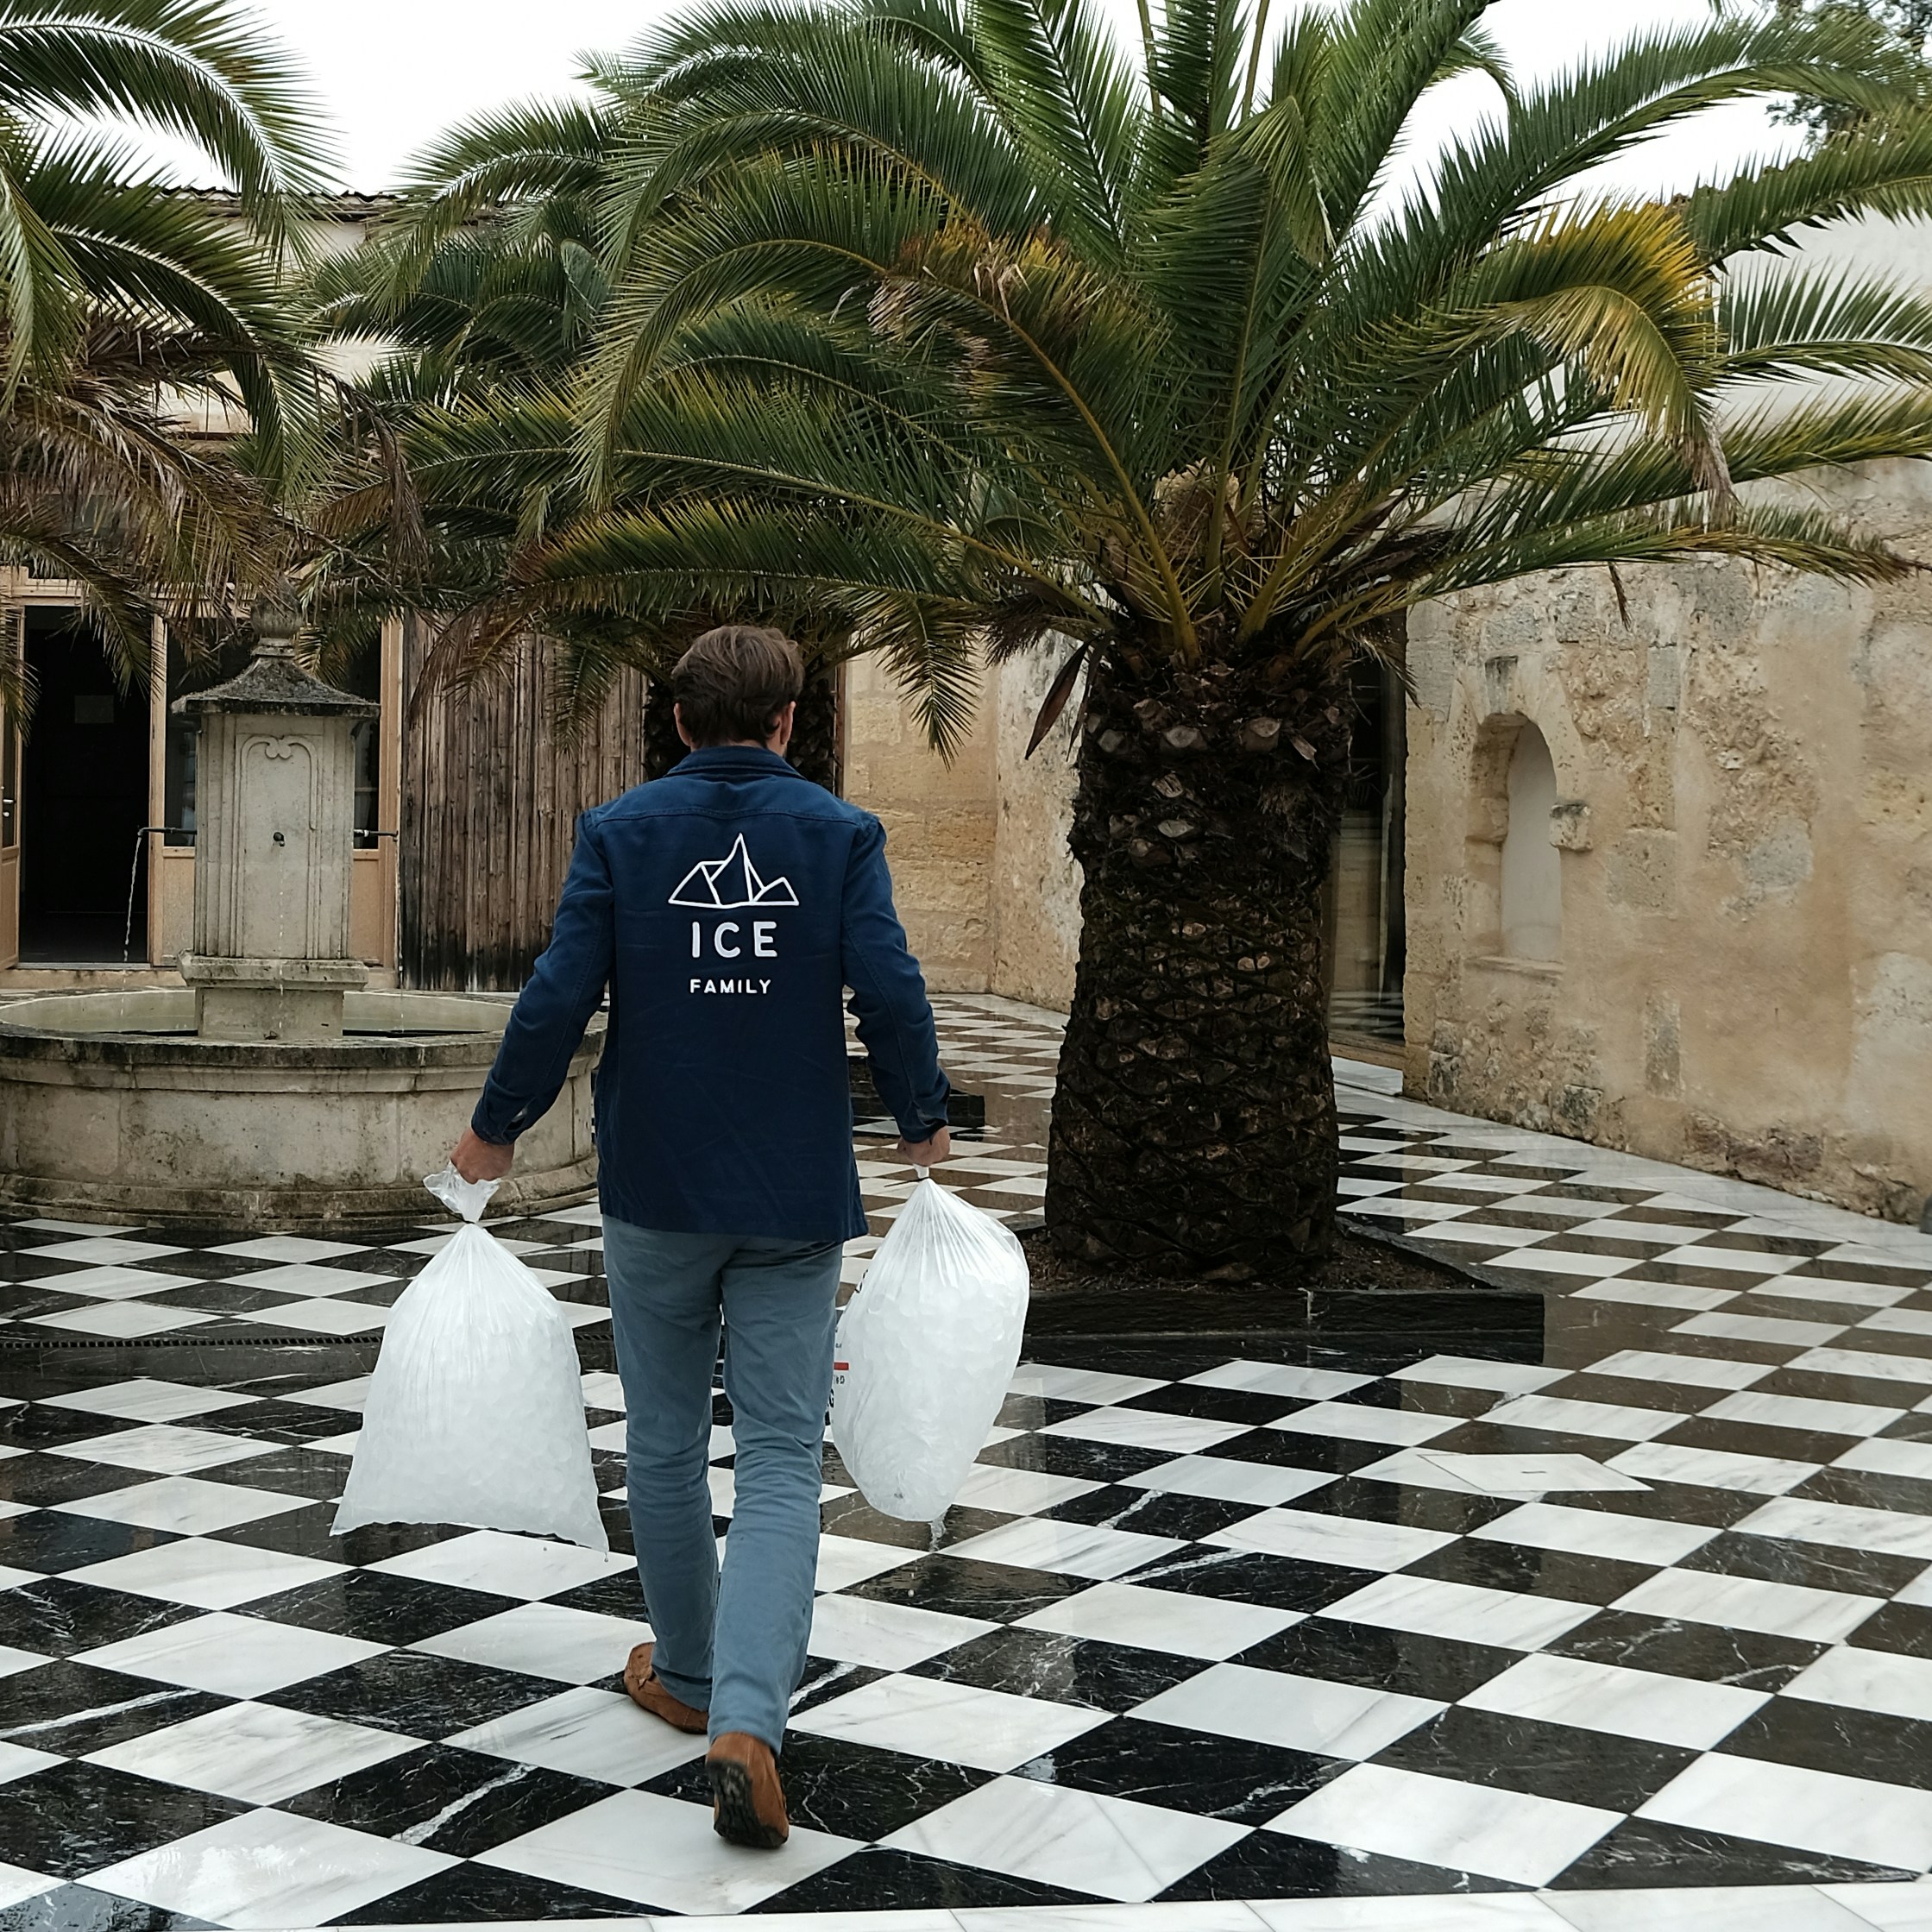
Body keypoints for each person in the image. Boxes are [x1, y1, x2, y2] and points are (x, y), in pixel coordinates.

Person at [450, 625, 951, 1850]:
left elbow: (559, 990)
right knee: (782, 1456)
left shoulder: (624, 832)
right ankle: (746, 1722)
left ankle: (681, 1669)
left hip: (657, 1185)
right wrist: (922, 1115)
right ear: (790, 723)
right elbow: (887, 985)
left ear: (678, 722)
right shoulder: (839, 836)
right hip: (792, 1193)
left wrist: (497, 1128)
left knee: (665, 1443)